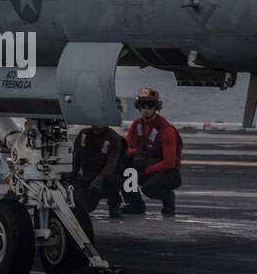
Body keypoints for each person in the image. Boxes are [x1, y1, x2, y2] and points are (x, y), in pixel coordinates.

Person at [120, 87, 182, 216]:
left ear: (156, 107)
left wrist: (147, 170)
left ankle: (168, 198)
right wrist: (134, 154)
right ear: (139, 106)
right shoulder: (136, 125)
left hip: (167, 172)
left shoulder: (166, 130)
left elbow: (169, 162)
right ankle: (135, 204)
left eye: (150, 105)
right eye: (143, 105)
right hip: (145, 166)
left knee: (150, 188)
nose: (146, 109)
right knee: (123, 168)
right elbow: (127, 146)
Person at [71, 124, 126, 219]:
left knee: (113, 180)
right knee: (80, 208)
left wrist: (99, 179)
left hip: (105, 177)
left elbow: (111, 164)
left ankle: (114, 203)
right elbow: (76, 159)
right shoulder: (84, 134)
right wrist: (71, 180)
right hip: (87, 177)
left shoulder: (114, 137)